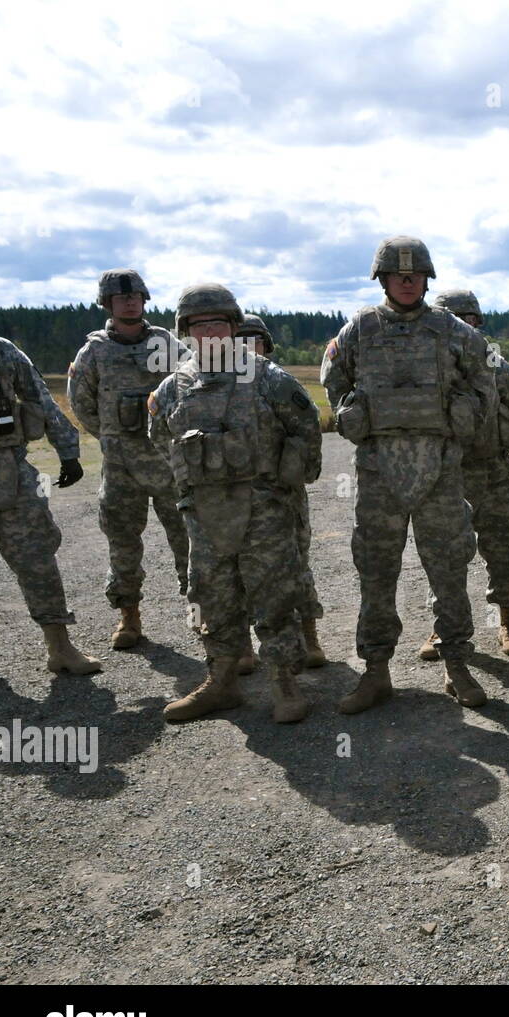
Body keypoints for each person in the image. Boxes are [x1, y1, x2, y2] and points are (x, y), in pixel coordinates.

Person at [321, 237, 494, 712]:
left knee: (449, 569)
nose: (406, 280)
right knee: (376, 570)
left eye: (414, 274)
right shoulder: (359, 328)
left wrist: (467, 412)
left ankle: (456, 664)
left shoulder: (452, 330)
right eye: (397, 275)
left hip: (439, 466)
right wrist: (347, 411)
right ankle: (375, 671)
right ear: (381, 278)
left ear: (426, 278)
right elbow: (332, 376)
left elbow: (485, 380)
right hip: (378, 469)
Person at [149, 284, 322, 724]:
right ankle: (221, 680)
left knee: (274, 594)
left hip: (263, 508)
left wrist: (287, 479)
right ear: (185, 331)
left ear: (232, 327)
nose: (210, 333)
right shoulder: (174, 386)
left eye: (219, 324)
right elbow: (159, 437)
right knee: (209, 596)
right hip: (204, 513)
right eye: (200, 325)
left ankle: (284, 682)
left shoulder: (267, 377)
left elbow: (305, 429)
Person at [67, 269, 189, 650]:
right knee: (122, 544)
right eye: (122, 298)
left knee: (190, 541)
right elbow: (81, 402)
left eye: (136, 295)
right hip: (121, 469)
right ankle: (129, 618)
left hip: (169, 463)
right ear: (107, 303)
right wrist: (111, 436)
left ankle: (205, 616)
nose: (130, 301)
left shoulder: (166, 343)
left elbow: (192, 382)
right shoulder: (95, 351)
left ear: (145, 299)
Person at [418, 289, 509, 660]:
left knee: (500, 548)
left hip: (494, 471)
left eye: (473, 320)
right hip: (449, 474)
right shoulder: (431, 367)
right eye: (457, 320)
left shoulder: (496, 364)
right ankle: (443, 627)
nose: (467, 326)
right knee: (447, 555)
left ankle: (508, 620)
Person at [0, 334, 101, 674]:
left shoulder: (2, 350)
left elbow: (39, 397)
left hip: (10, 470)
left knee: (37, 556)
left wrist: (68, 450)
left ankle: (60, 648)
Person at [236, 313, 327, 671]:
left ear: (266, 346)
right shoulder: (211, 382)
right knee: (233, 571)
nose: (246, 346)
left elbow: (308, 430)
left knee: (296, 564)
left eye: (254, 340)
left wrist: (302, 474)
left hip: (280, 494)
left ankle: (309, 637)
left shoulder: (277, 382)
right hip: (229, 497)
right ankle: (242, 646)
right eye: (239, 339)